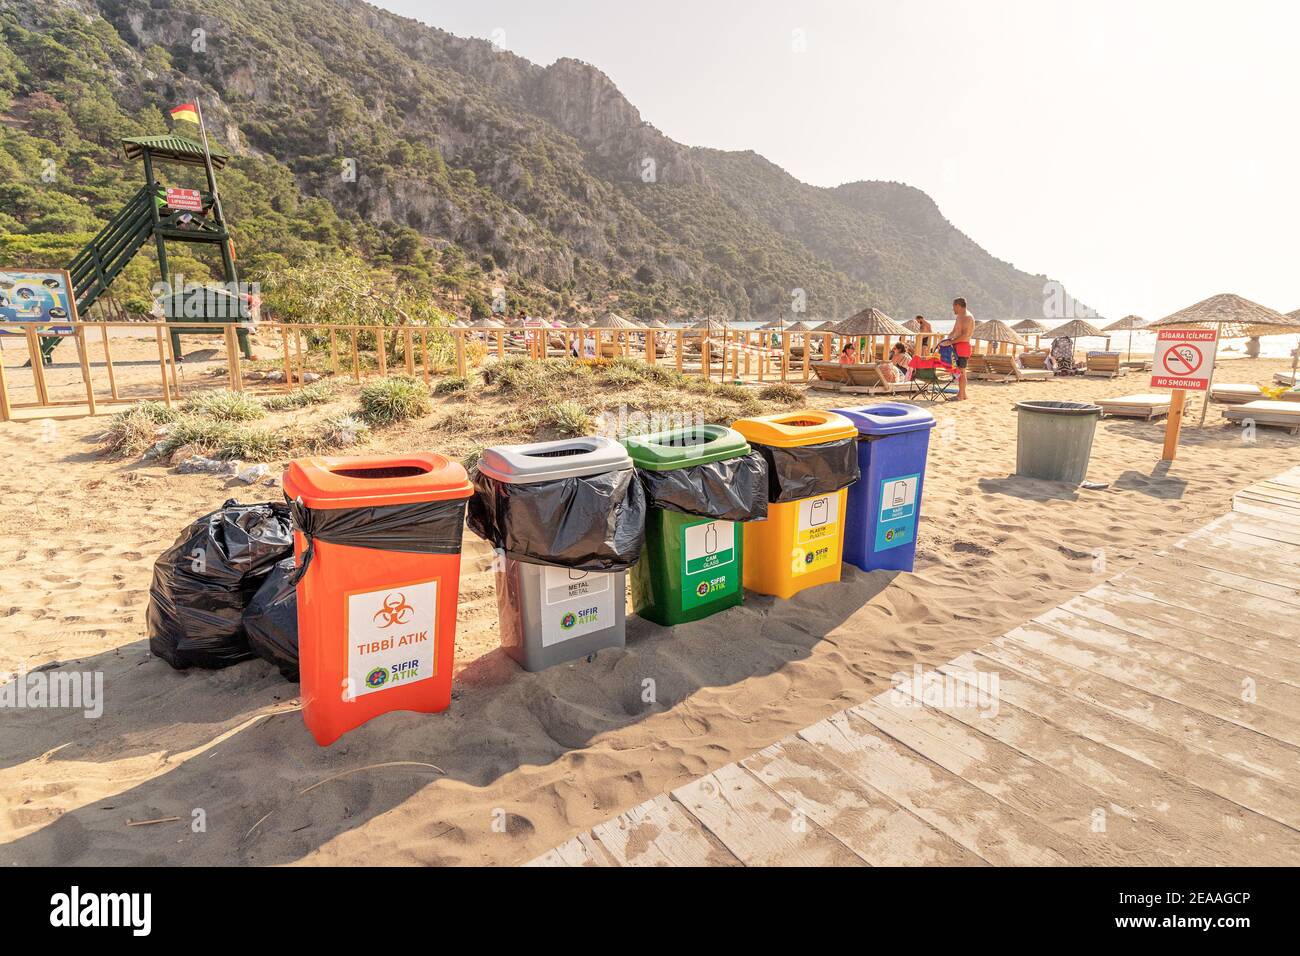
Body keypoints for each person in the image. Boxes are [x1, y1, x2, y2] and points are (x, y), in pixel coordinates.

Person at [942, 297, 975, 400]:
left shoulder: (968, 317)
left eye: (954, 307)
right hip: (957, 346)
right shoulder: (960, 317)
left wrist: (950, 342)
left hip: (963, 347)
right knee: (958, 371)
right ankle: (962, 394)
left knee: (961, 371)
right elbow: (955, 331)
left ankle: (961, 395)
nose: (953, 310)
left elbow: (965, 336)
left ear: (958, 306)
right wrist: (946, 340)